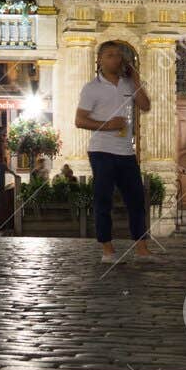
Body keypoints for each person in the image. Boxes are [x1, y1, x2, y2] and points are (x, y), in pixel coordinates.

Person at [75, 40, 153, 265]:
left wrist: (136, 79)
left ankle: (141, 248)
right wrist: (108, 124)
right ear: (100, 60)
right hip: (101, 150)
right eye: (109, 55)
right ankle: (107, 249)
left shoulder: (128, 84)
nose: (115, 59)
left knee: (136, 199)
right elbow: (80, 120)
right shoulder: (92, 88)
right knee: (103, 200)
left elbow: (145, 105)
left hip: (126, 151)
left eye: (118, 55)